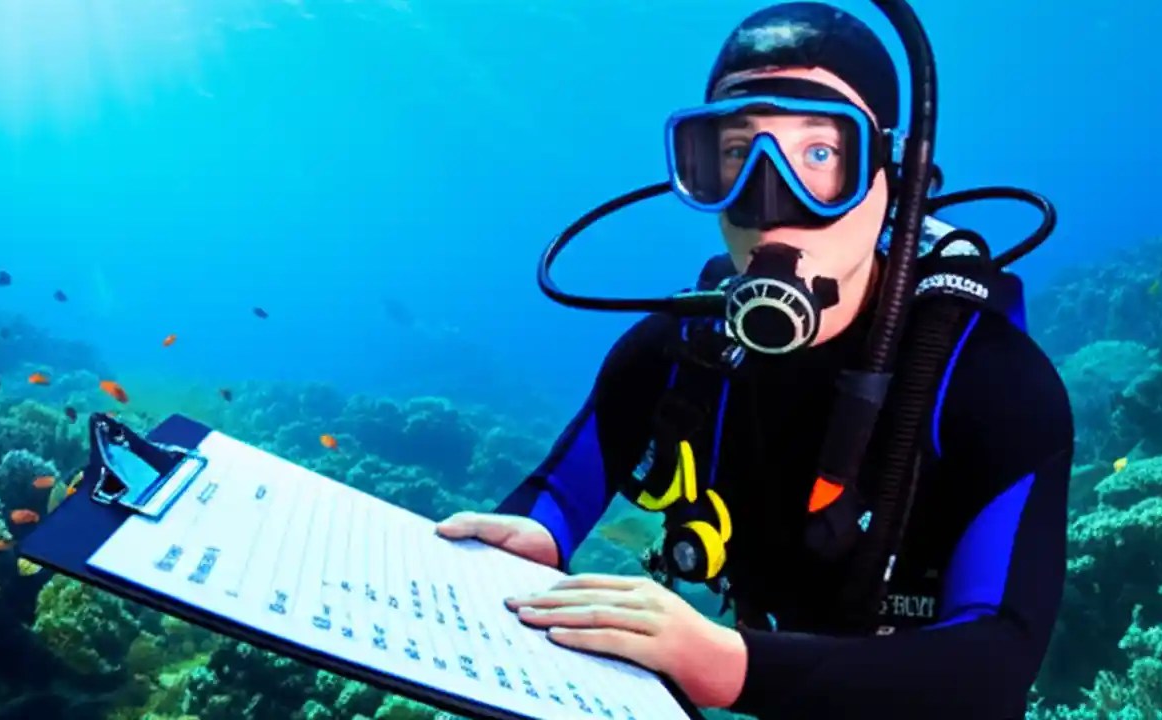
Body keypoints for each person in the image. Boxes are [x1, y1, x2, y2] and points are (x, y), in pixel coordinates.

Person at [436, 2, 1074, 718]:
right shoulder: (678, 351)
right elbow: (555, 499)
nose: (770, 199)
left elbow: (997, 663)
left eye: (820, 155)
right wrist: (532, 538)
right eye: (738, 154)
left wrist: (724, 666)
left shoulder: (991, 380)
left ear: (892, 178)